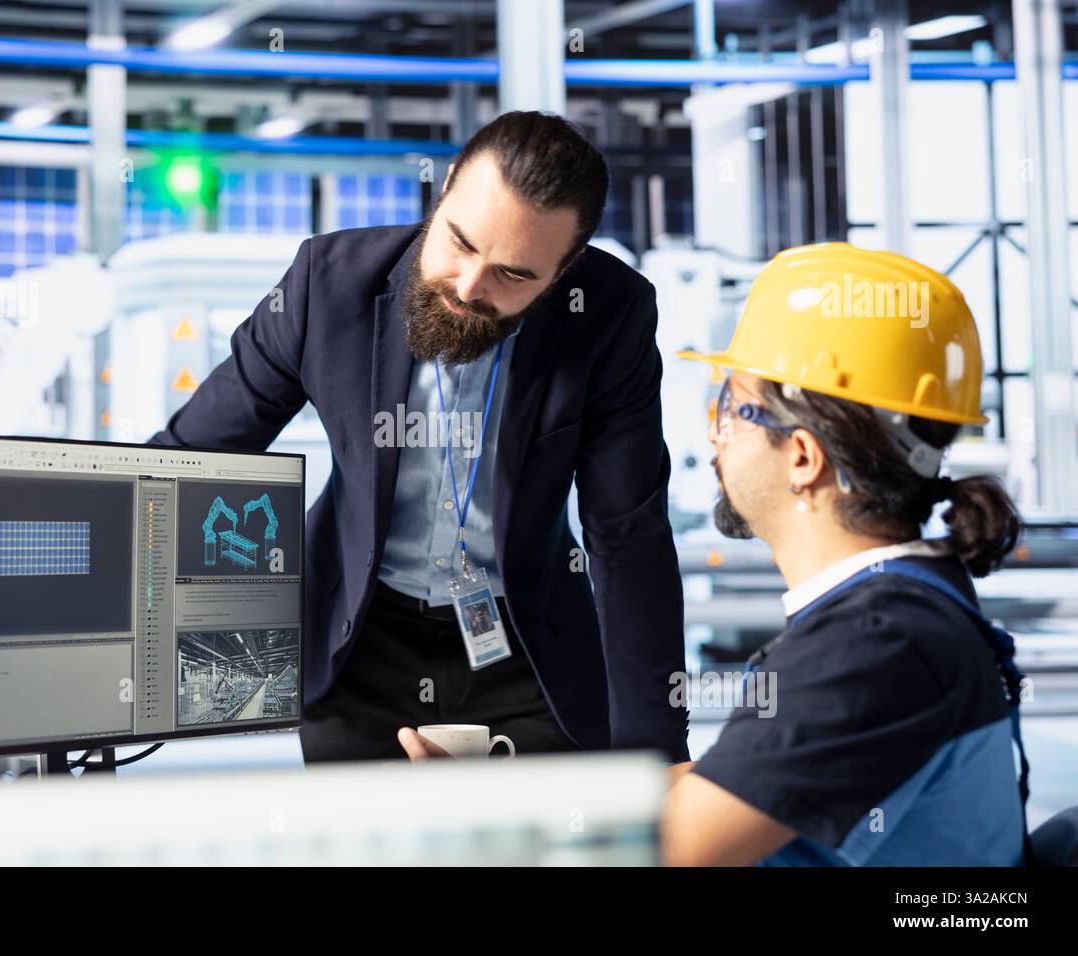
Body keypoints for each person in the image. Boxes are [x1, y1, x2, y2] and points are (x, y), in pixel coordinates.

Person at [151, 111, 689, 763]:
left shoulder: (610, 313)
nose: (469, 287)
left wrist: (659, 754)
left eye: (514, 274)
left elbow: (628, 538)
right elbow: (193, 463)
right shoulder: (328, 283)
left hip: (526, 647)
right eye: (461, 242)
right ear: (448, 187)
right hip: (355, 645)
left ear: (565, 267)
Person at [661, 242, 1029, 865]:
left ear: (803, 457)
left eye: (730, 407)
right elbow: (727, 780)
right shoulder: (903, 605)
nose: (711, 431)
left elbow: (673, 848)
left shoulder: (875, 641)